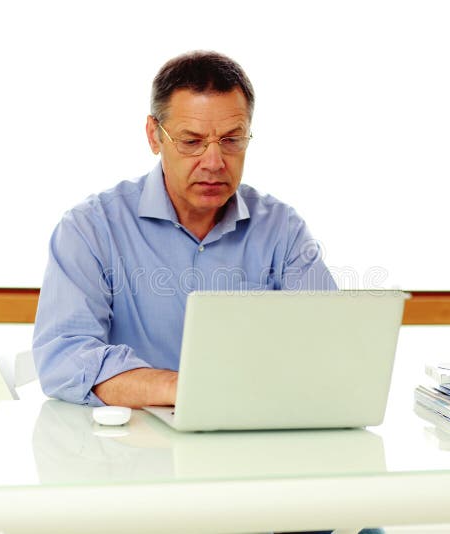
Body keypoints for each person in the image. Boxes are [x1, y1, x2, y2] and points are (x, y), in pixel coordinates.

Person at [32, 50, 336, 409]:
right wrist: (185, 389)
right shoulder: (90, 229)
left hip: (252, 439)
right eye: (191, 142)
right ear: (154, 136)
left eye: (231, 140)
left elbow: (330, 346)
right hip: (130, 451)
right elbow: (63, 359)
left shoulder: (281, 230)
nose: (214, 162)